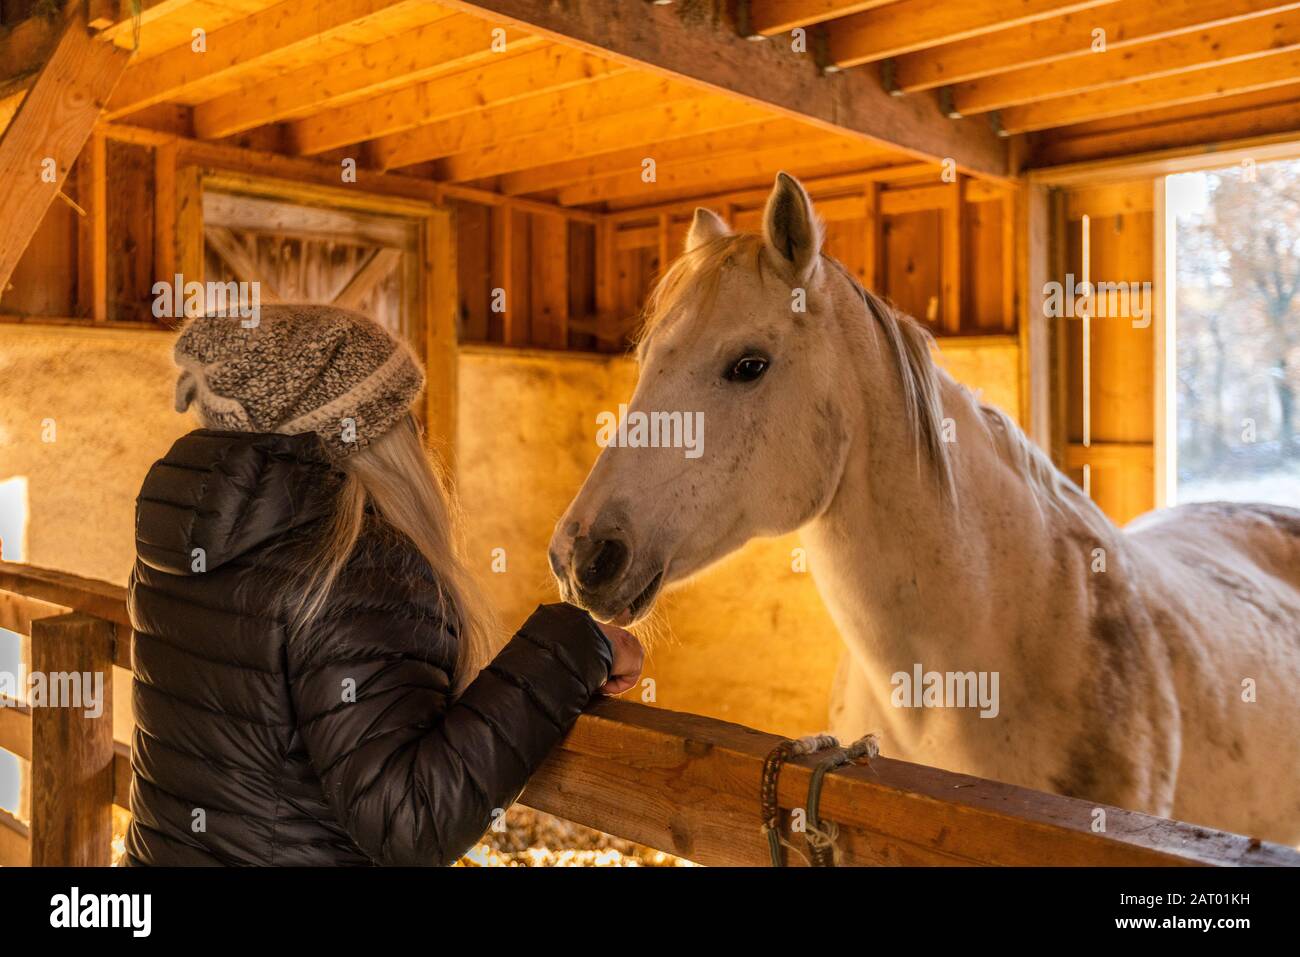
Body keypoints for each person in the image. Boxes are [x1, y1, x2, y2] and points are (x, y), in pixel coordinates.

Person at [124, 303, 642, 865]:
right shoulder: (357, 565)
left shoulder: (183, 545)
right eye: (403, 415)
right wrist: (572, 647)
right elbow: (410, 820)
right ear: (367, 433)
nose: (416, 433)